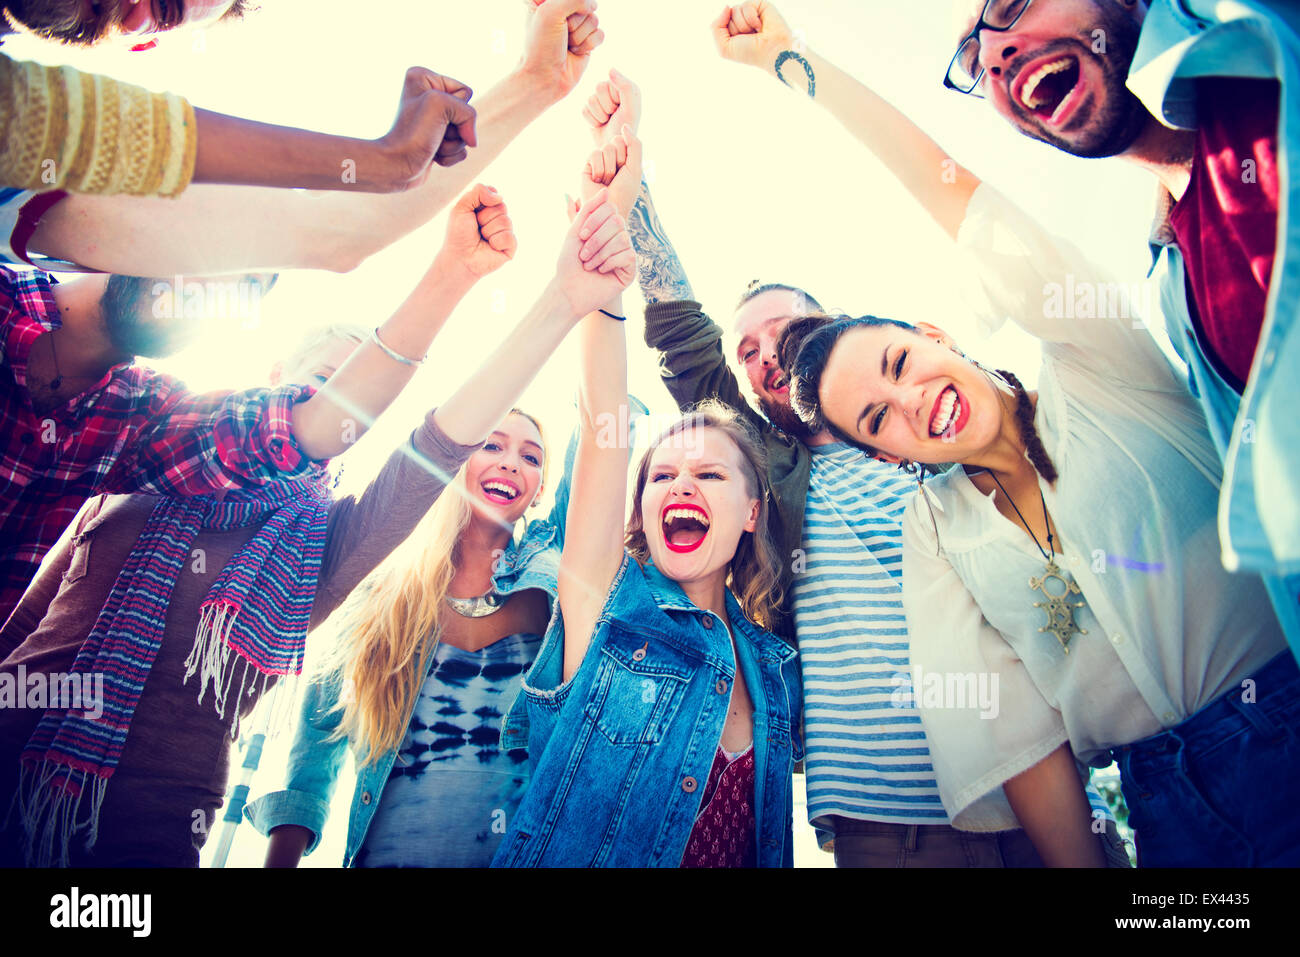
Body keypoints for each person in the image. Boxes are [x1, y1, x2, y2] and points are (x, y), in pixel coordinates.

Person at [0, 185, 635, 866]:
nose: (343, 406)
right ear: (279, 372)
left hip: (144, 841)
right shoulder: (136, 464)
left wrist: (563, 301)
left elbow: (448, 436)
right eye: (329, 379)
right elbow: (18, 631)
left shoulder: (327, 548)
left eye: (362, 397)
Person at [597, 59, 1123, 865]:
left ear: (839, 330)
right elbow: (676, 326)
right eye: (747, 352)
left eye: (789, 331)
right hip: (889, 815)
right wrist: (631, 183)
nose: (768, 354)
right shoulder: (762, 470)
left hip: (1041, 783)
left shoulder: (942, 436)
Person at [778, 204, 1296, 864]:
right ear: (882, 454)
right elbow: (1016, 735)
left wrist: (825, 92)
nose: (907, 399)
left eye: (901, 360)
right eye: (878, 417)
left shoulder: (1089, 372)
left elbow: (992, 224)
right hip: (1167, 810)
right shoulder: (935, 529)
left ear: (936, 333)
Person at [931, 0, 1300, 651]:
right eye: (971, 58)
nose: (994, 56)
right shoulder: (1172, 295)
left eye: (1012, 5)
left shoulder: (1260, 36)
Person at [490, 133, 801, 869]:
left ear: (752, 512)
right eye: (662, 475)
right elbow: (606, 432)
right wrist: (603, 294)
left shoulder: (775, 668)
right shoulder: (607, 606)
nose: (682, 485)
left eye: (711, 475)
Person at [0, 0, 605, 275]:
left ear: (138, 40)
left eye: (158, 9)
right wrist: (379, 159)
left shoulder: (35, 183)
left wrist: (534, 83)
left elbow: (331, 233)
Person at [247, 407, 564, 868]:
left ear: (538, 493)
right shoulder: (379, 595)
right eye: (491, 445)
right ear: (455, 461)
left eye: (531, 457)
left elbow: (597, 458)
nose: (511, 462)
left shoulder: (554, 595)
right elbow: (312, 759)